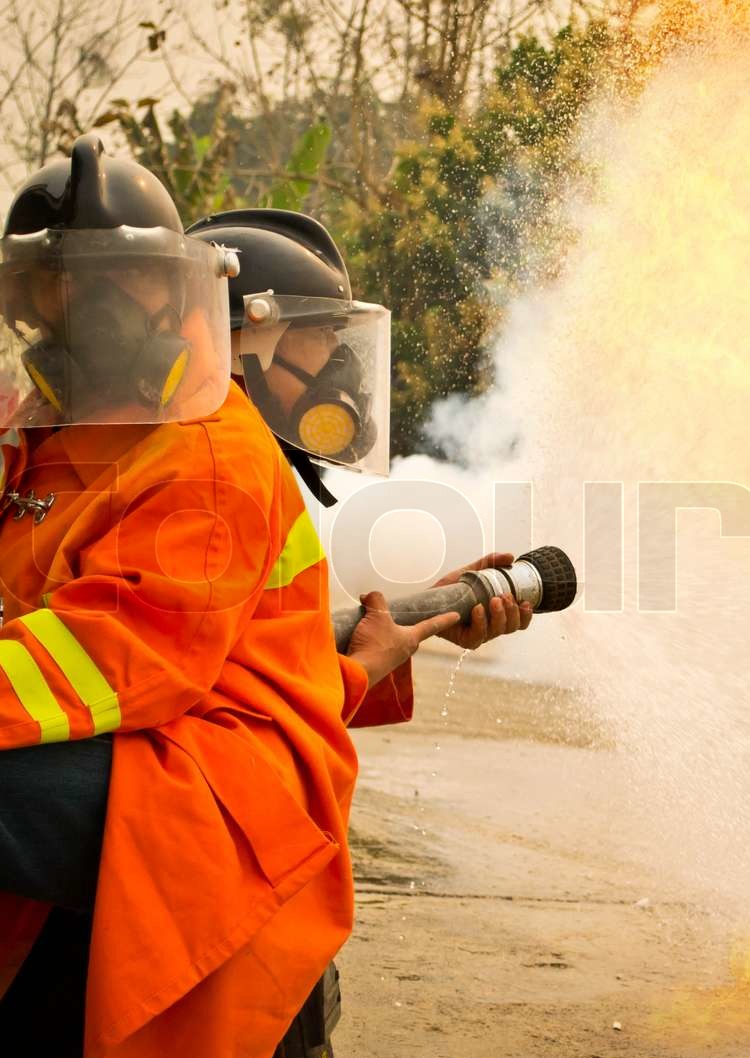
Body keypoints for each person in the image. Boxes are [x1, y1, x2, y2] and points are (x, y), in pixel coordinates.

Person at [0, 134, 459, 1058]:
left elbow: (119, 657)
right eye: (44, 300)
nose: (68, 319)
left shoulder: (203, 452)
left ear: (172, 293)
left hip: (221, 782)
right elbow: (20, 605)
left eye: (100, 288)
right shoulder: (83, 442)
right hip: (160, 747)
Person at [185, 206, 533, 730]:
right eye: (321, 333)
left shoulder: (228, 453)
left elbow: (256, 648)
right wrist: (364, 668)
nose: (336, 359)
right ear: (244, 342)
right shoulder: (213, 468)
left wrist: (422, 615)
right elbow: (204, 694)